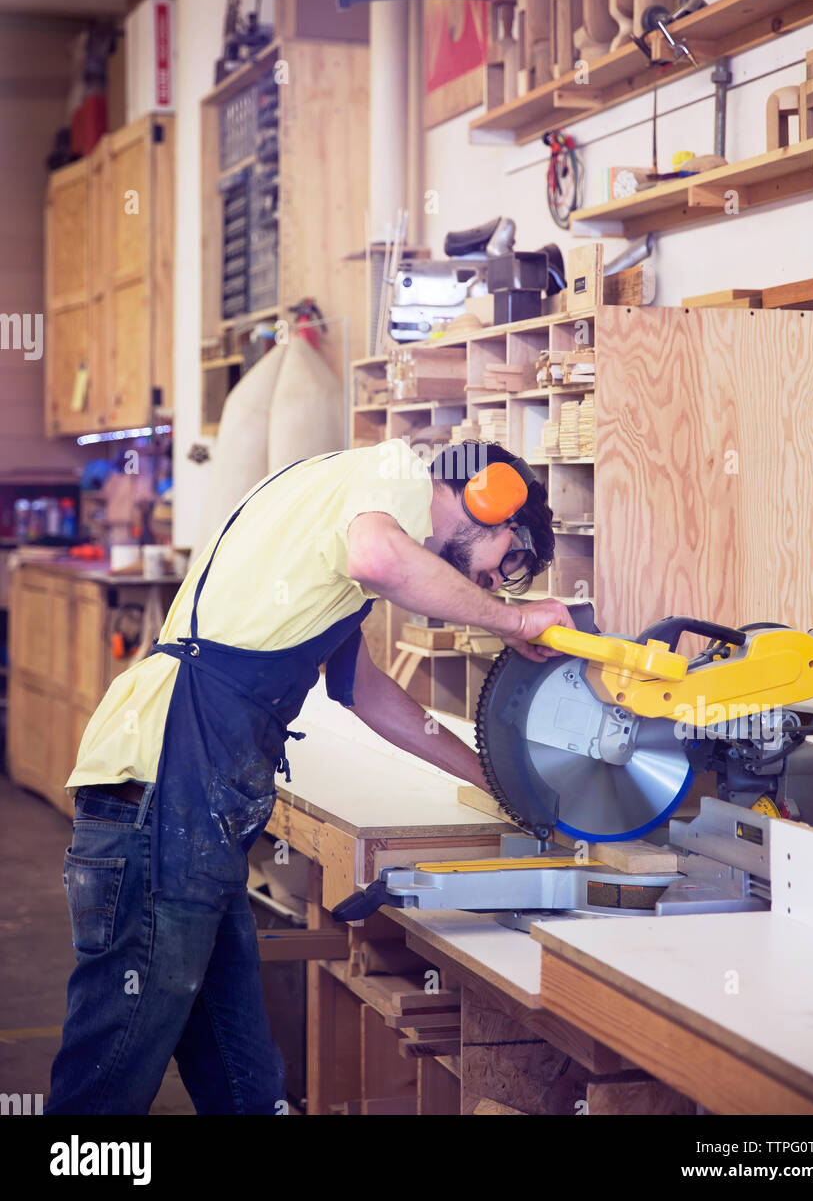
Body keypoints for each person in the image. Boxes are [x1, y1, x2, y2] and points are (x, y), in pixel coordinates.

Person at [46, 438, 572, 1114]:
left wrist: (501, 781)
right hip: (165, 799)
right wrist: (515, 621)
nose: (498, 583)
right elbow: (380, 559)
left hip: (193, 816)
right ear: (488, 498)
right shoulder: (396, 477)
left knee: (244, 1081)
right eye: (513, 557)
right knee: (107, 1081)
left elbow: (364, 692)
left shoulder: (338, 503)